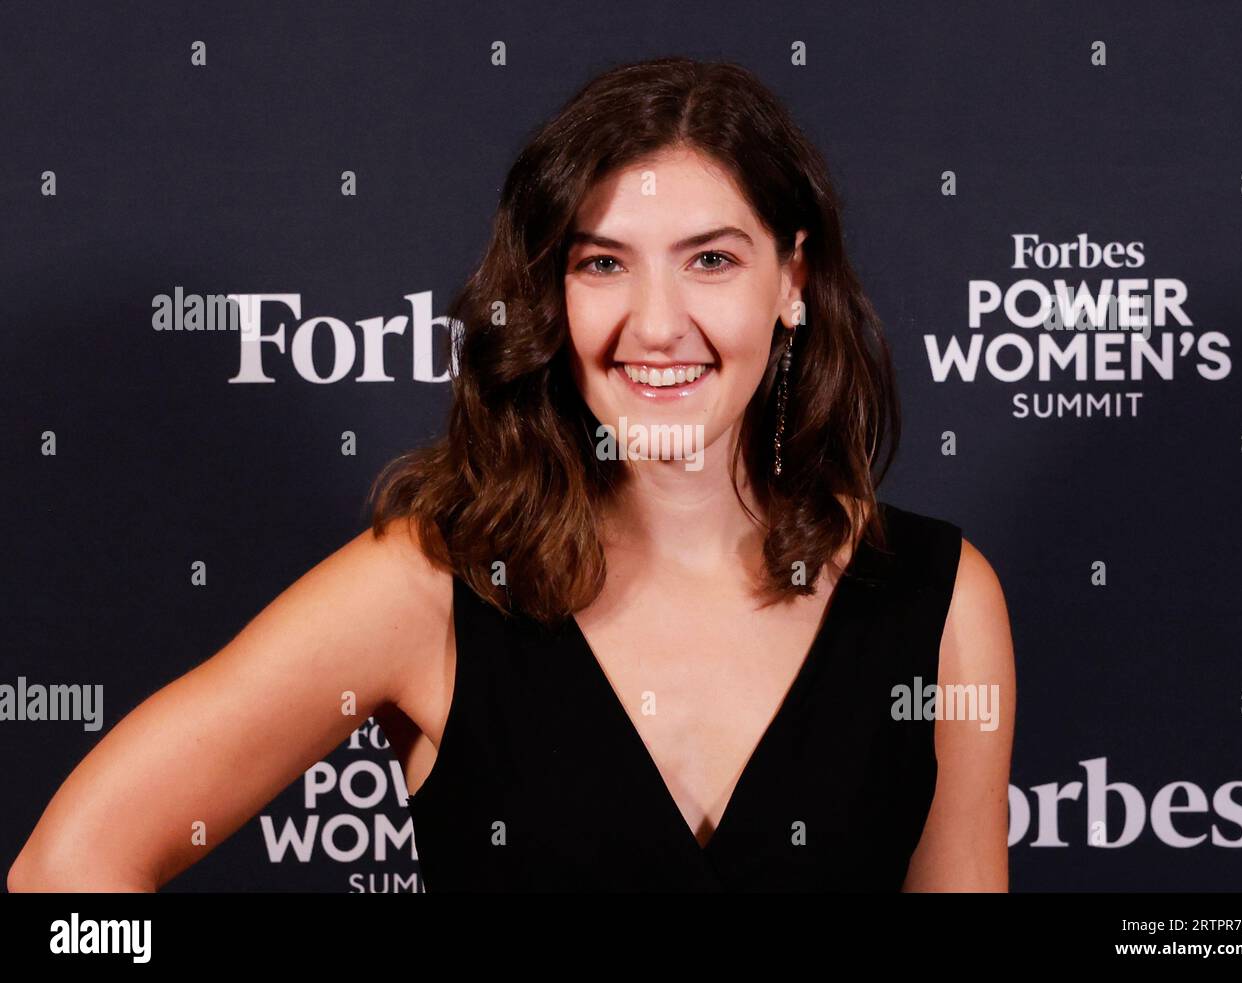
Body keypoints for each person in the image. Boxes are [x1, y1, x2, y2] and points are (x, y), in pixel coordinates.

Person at [8, 56, 1014, 893]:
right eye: (601, 263)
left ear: (792, 281)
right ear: (548, 291)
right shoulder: (429, 584)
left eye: (710, 260)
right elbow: (68, 871)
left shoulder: (938, 600)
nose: (656, 324)